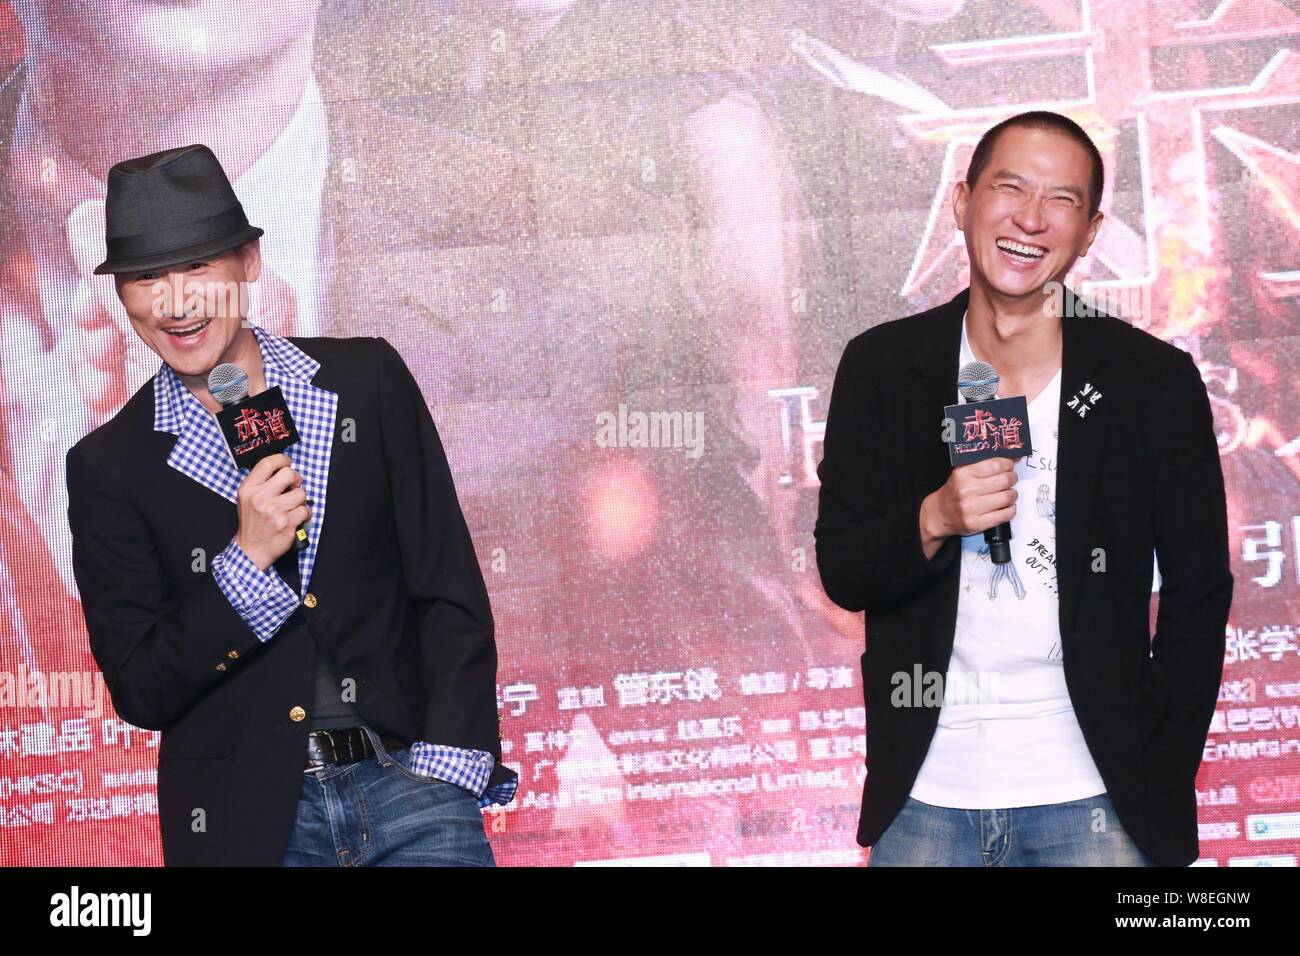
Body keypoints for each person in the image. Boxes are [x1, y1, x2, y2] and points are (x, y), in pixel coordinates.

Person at [64, 143, 516, 866]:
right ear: (122, 296)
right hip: (246, 824)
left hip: (411, 788)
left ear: (248, 264)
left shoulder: (366, 379)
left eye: (197, 267)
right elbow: (142, 687)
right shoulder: (110, 466)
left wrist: (450, 767)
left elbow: (447, 587)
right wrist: (244, 561)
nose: (176, 303)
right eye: (147, 277)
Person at [814, 110, 1233, 866]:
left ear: (1092, 230)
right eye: (1010, 188)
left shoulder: (1150, 382)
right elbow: (845, 571)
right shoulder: (882, 369)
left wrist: (1159, 770)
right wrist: (934, 517)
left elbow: (1200, 593)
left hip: (1096, 799)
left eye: (1061, 200)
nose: (1030, 220)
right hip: (927, 800)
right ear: (962, 199)